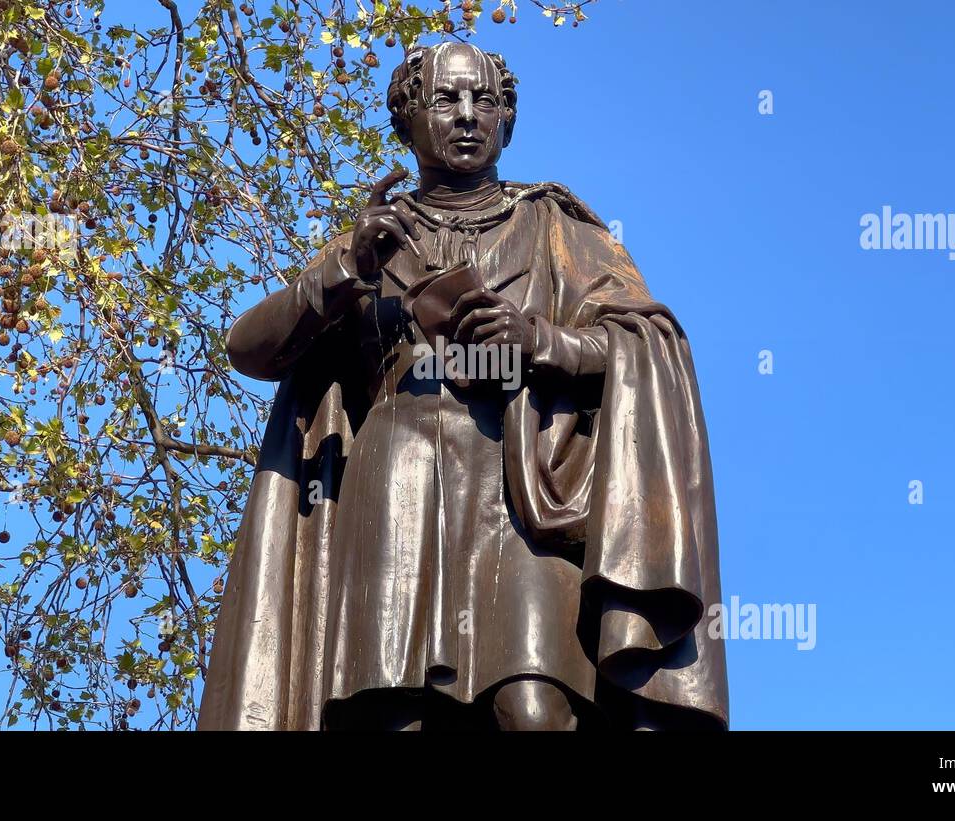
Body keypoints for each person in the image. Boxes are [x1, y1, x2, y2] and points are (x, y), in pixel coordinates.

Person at [200, 42, 728, 730]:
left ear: (508, 120)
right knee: (395, 714)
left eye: (486, 101)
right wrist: (340, 273)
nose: (468, 115)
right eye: (446, 99)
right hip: (397, 478)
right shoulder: (371, 239)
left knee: (536, 709)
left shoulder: (554, 227)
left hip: (522, 489)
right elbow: (248, 347)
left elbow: (649, 346)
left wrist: (540, 340)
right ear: (407, 119)